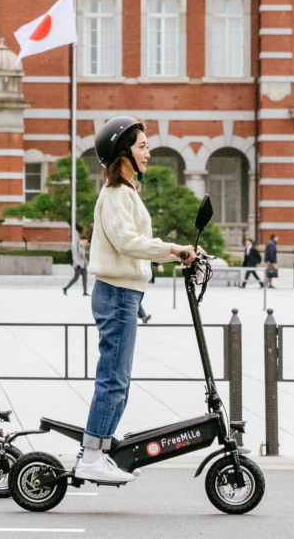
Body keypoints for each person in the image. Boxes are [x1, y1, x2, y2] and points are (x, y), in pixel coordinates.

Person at [76, 117, 199, 483]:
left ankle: (100, 448)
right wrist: (173, 249)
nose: (148, 152)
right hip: (115, 294)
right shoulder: (115, 195)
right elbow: (127, 242)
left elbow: (129, 250)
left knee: (120, 379)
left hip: (125, 293)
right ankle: (91, 455)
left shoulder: (128, 192)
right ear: (123, 152)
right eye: (142, 146)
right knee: (112, 378)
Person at [62, 232, 89, 297]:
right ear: (81, 240)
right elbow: (74, 256)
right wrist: (78, 264)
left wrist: (87, 262)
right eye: (85, 241)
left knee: (85, 278)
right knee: (75, 278)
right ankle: (66, 288)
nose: (85, 243)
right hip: (78, 266)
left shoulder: (82, 247)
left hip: (83, 265)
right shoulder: (76, 246)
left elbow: (83, 256)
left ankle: (85, 292)